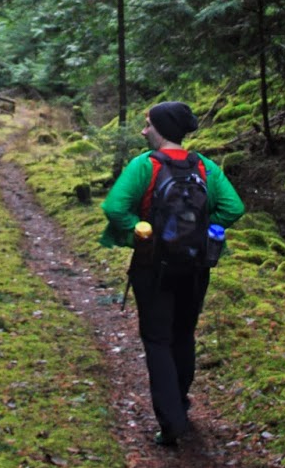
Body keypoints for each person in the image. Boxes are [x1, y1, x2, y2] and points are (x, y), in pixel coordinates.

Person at [100, 100, 244, 447]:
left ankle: (171, 422)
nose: (144, 130)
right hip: (196, 266)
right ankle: (181, 405)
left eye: (148, 124)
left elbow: (114, 207)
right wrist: (201, 231)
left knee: (157, 339)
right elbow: (234, 207)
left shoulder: (144, 166)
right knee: (183, 335)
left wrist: (140, 230)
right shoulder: (205, 166)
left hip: (153, 267)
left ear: (161, 128)